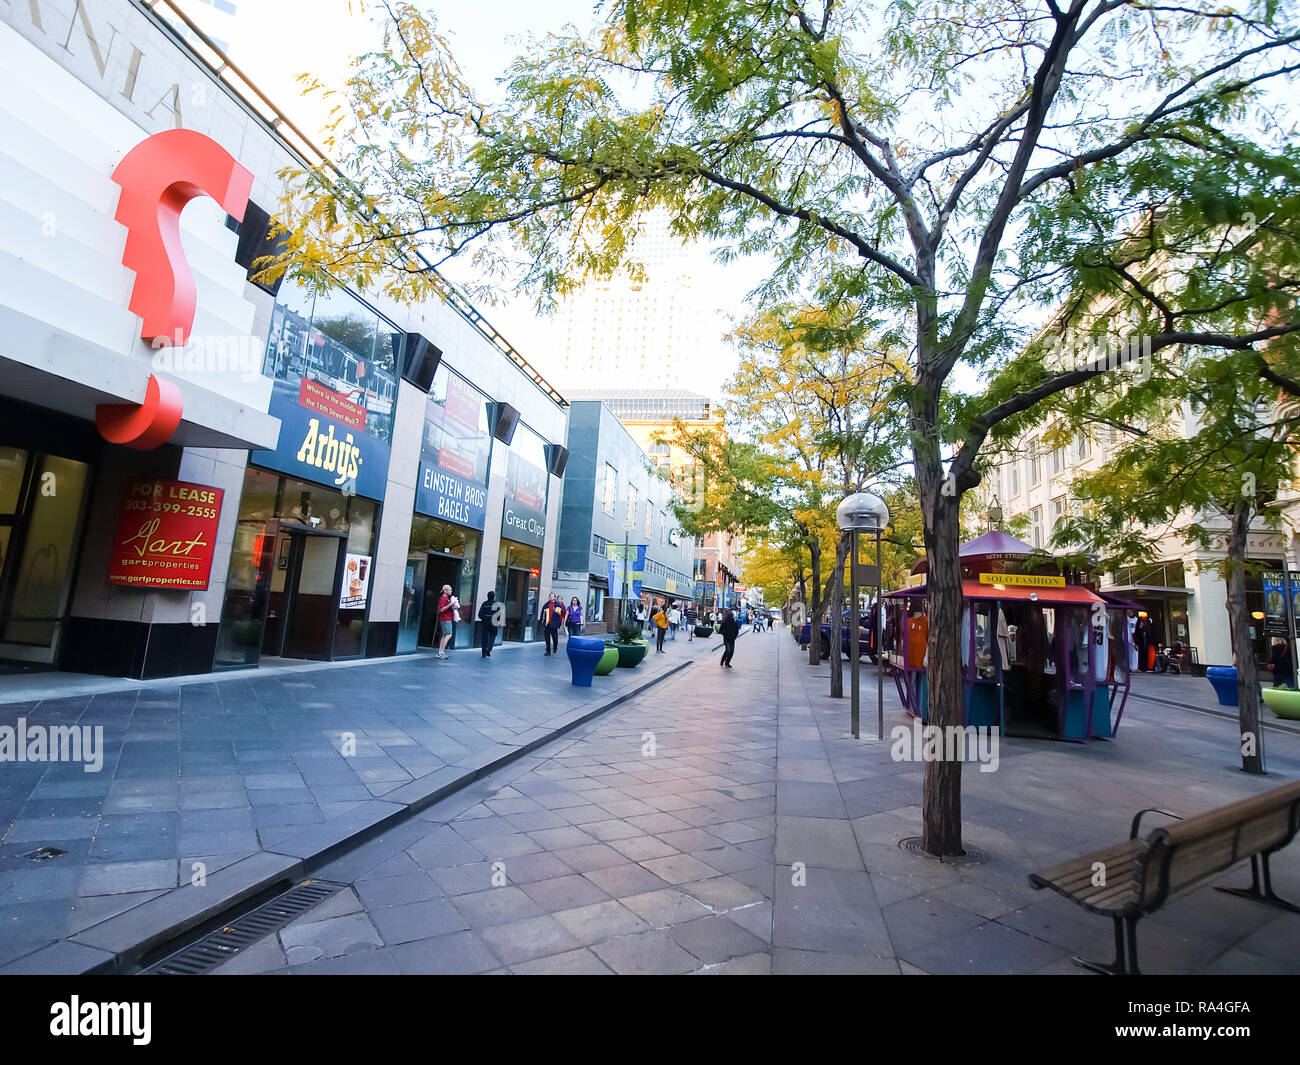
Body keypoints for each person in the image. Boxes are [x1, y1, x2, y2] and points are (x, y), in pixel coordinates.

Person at [436, 585, 459, 661]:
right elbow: (441, 610)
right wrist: (451, 604)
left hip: (446, 618)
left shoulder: (446, 599)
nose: (451, 591)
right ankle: (441, 651)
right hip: (445, 618)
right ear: (445, 590)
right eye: (450, 590)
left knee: (445, 635)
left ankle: (440, 651)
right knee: (449, 634)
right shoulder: (443, 599)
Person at [478, 591, 498, 658]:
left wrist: (485, 617)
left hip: (485, 623)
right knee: (493, 635)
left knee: (485, 638)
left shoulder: (484, 604)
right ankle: (489, 648)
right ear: (494, 597)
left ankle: (484, 654)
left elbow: (480, 614)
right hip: (494, 623)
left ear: (487, 596)